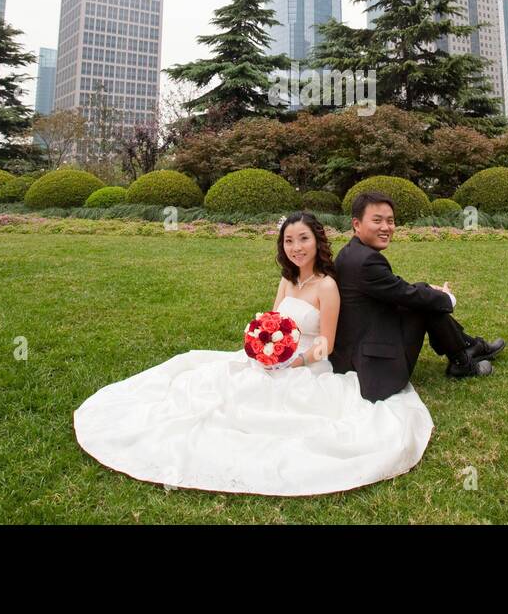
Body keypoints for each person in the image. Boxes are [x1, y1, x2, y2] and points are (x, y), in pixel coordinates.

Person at [73, 210, 434, 496]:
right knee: (213, 387)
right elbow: (275, 321)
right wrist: (264, 347)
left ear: (317, 241)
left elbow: (327, 342)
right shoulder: (287, 280)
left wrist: (294, 360)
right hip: (276, 357)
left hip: (308, 366)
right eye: (289, 241)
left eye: (303, 239)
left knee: (266, 407)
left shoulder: (327, 286)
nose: (296, 247)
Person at [331, 190, 504, 401]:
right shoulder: (367, 261)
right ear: (356, 224)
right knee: (424, 305)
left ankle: (468, 349)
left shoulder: (351, 252)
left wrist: (426, 289)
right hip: (369, 362)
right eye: (377, 220)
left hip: (356, 343)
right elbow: (405, 294)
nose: (386, 227)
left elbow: (392, 289)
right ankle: (464, 359)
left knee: (423, 298)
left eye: (390, 221)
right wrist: (447, 299)